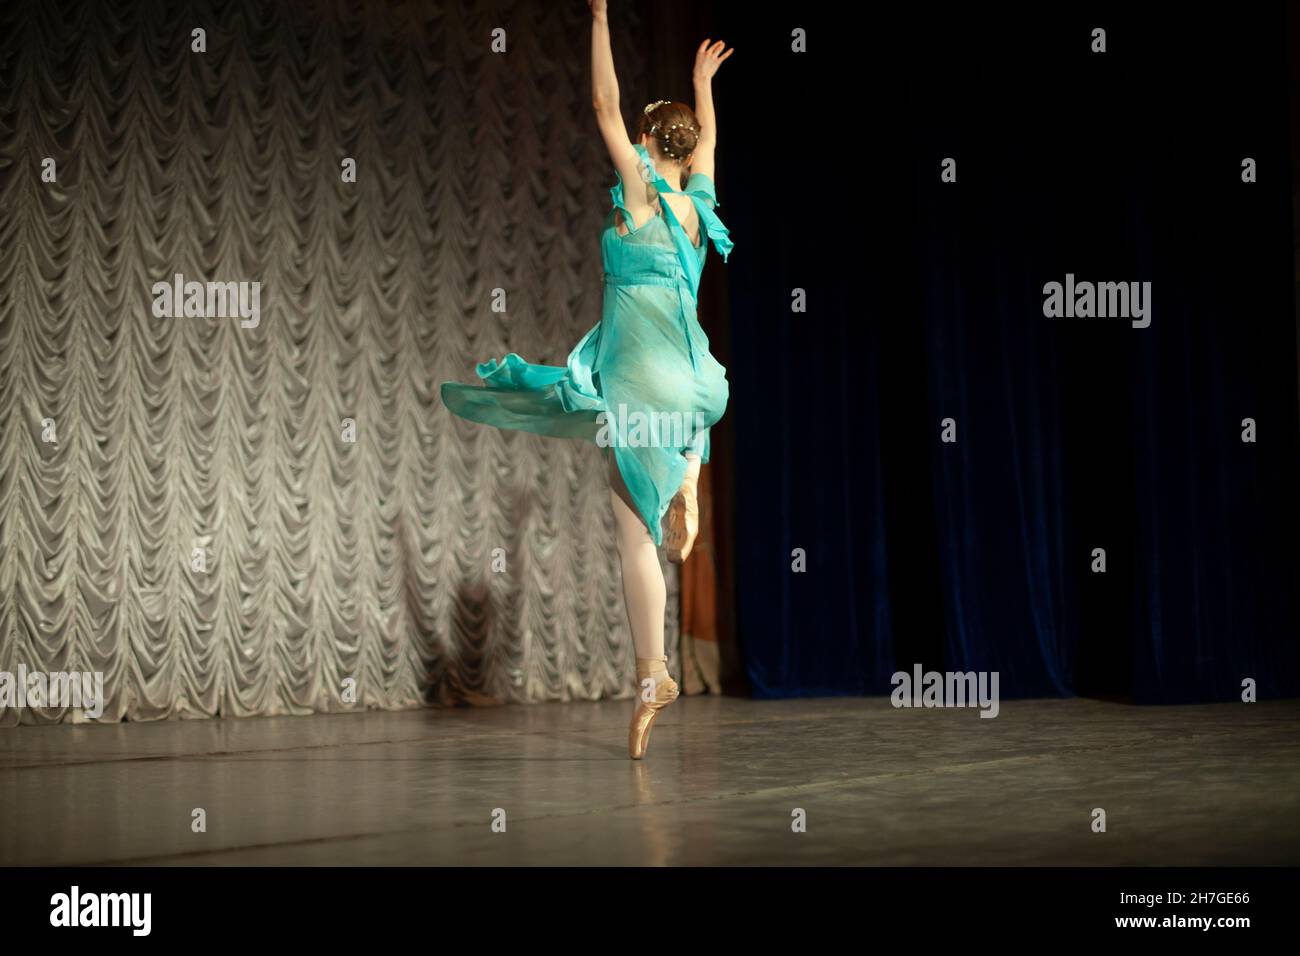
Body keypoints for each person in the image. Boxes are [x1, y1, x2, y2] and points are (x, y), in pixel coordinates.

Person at [440, 0, 734, 759]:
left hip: (638, 387)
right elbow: (705, 158)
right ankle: (690, 475)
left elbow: (602, 101)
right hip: (691, 383)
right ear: (688, 148)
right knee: (679, 436)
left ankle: (652, 675)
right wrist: (705, 90)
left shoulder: (639, 193)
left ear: (644, 142)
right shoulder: (698, 210)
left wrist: (600, 17)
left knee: (634, 540)